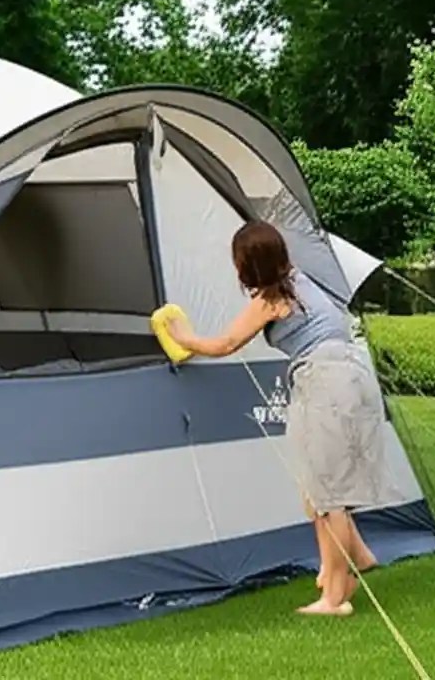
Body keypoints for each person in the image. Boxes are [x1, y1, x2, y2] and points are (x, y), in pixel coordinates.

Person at [165, 220, 389, 617]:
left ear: (248, 265)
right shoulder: (301, 280)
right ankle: (357, 557)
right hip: (353, 376)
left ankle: (336, 596)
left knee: (329, 496)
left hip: (325, 383)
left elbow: (226, 343)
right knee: (320, 485)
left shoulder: (273, 298)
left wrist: (182, 337)